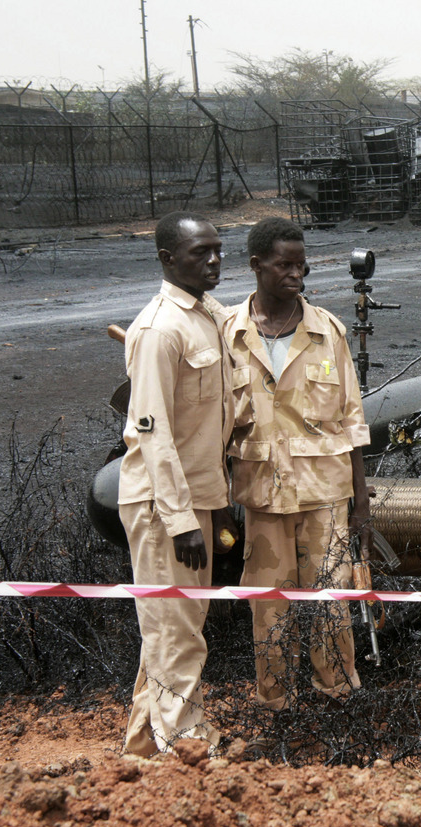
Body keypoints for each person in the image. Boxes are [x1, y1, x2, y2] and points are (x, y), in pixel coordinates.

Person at [223, 217, 372, 710]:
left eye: (301, 265)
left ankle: (337, 700)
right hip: (264, 498)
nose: (296, 274)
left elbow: (352, 421)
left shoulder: (326, 332)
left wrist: (362, 505)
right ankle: (277, 708)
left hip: (325, 497)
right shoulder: (229, 335)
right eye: (283, 265)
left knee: (331, 605)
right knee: (270, 610)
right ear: (255, 265)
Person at [119, 211, 236, 757]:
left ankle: (144, 743)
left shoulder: (207, 315)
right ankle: (185, 742)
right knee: (177, 628)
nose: (213, 261)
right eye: (199, 253)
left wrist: (218, 504)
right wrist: (182, 519)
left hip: (198, 498)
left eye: (217, 250)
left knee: (173, 623)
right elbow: (154, 435)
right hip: (163, 506)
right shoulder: (160, 328)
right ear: (167, 259)